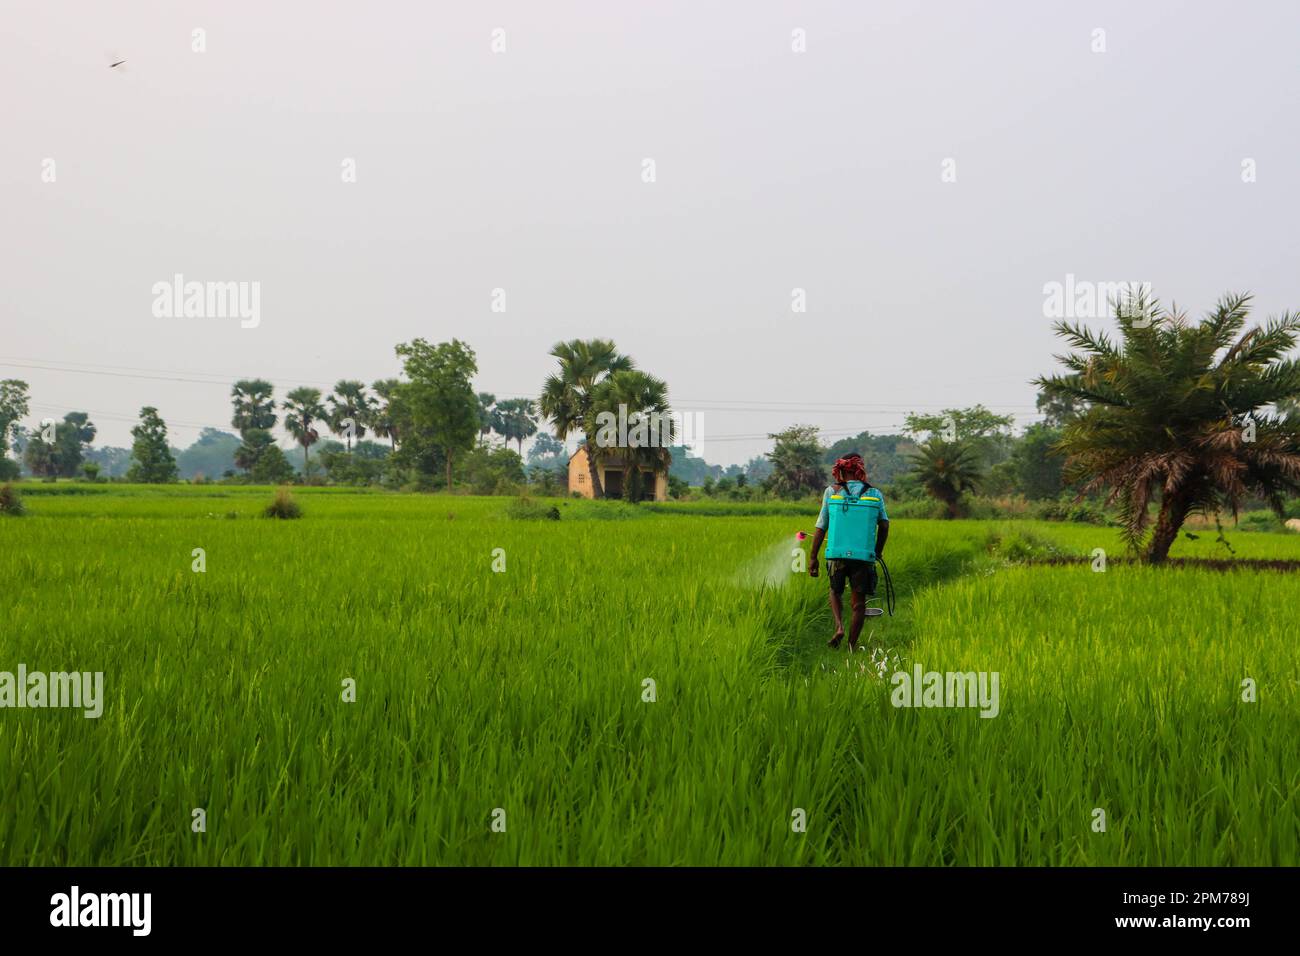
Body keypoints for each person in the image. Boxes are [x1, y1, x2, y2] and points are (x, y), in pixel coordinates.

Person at [807, 452, 890, 650]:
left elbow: (821, 527)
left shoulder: (832, 492)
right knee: (858, 603)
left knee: (835, 591)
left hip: (836, 555)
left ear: (841, 471)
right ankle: (852, 647)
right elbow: (884, 525)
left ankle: (839, 626)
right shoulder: (874, 494)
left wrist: (813, 557)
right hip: (862, 557)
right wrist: (877, 551)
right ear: (860, 471)